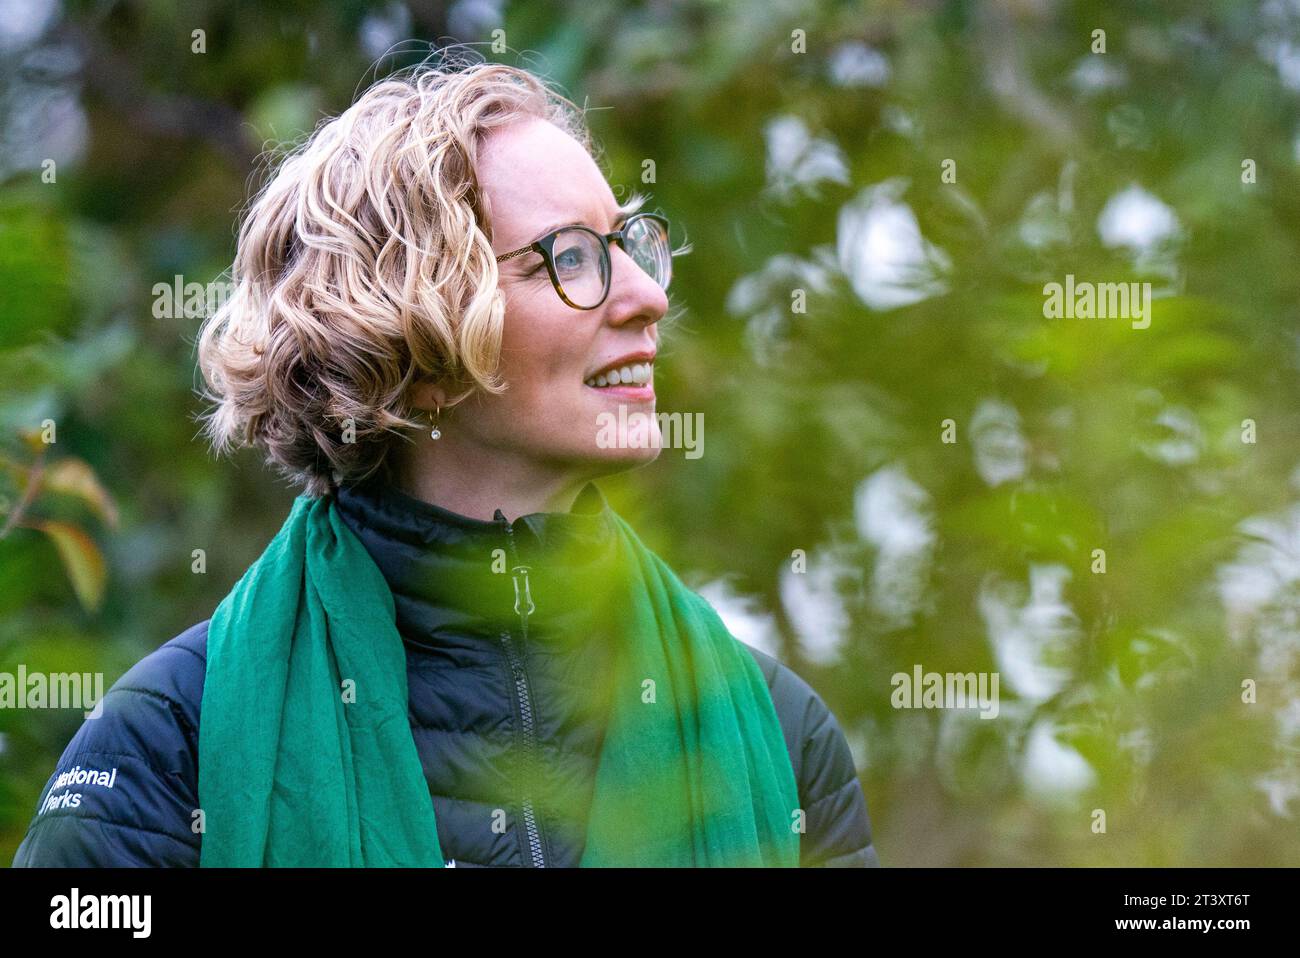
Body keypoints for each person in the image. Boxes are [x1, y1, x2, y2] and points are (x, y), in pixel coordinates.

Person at [13, 53, 878, 868]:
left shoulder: (778, 735)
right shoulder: (170, 748)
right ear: (412, 346)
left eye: (630, 243)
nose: (649, 297)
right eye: (571, 257)